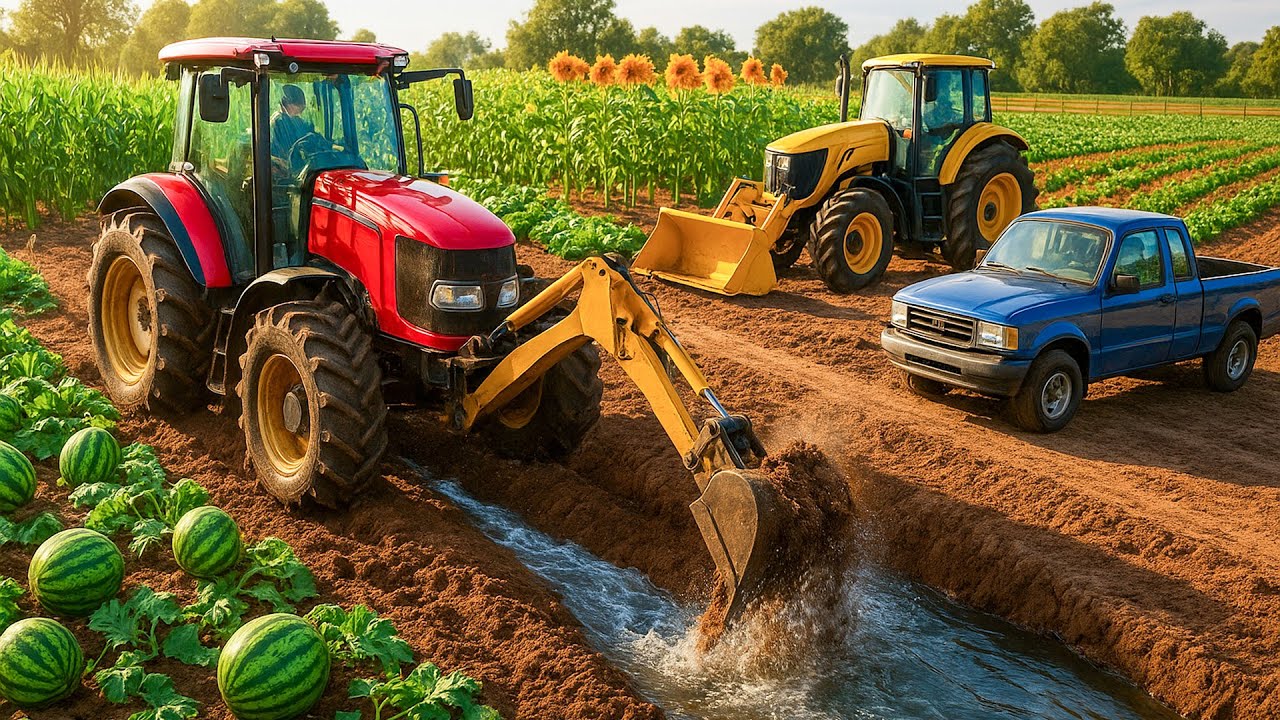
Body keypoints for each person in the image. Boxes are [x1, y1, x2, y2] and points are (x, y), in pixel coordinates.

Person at [270, 84, 315, 175]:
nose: (301, 110)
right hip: (285, 171)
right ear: (288, 104)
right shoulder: (279, 122)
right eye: (299, 106)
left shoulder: (297, 121)